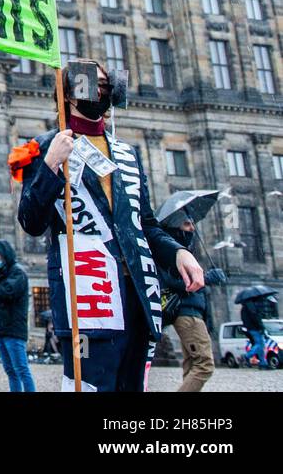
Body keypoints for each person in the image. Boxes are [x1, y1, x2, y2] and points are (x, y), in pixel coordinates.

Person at [16, 60, 204, 391]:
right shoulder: (45, 147)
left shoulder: (126, 153)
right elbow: (31, 221)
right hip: (88, 293)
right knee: (90, 386)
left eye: (106, 84)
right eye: (92, 83)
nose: (101, 90)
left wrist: (178, 252)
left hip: (136, 292)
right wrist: (50, 164)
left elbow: (144, 224)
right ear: (68, 94)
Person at [158, 210, 227, 391]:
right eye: (187, 224)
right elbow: (171, 281)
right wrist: (207, 278)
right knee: (205, 365)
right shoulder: (172, 249)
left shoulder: (183, 247)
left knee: (191, 364)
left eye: (192, 223)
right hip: (187, 313)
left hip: (192, 312)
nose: (192, 228)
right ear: (176, 226)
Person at [0, 239, 35, 392]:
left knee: (21, 369)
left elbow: (8, 292)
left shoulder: (17, 272)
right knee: (10, 370)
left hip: (14, 329)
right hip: (3, 330)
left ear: (4, 254)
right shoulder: (3, 274)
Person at [241, 292, 271, 371]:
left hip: (250, 328)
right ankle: (247, 356)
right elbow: (256, 318)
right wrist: (261, 327)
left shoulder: (244, 308)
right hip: (255, 328)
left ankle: (263, 363)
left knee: (260, 345)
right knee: (259, 344)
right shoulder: (252, 306)